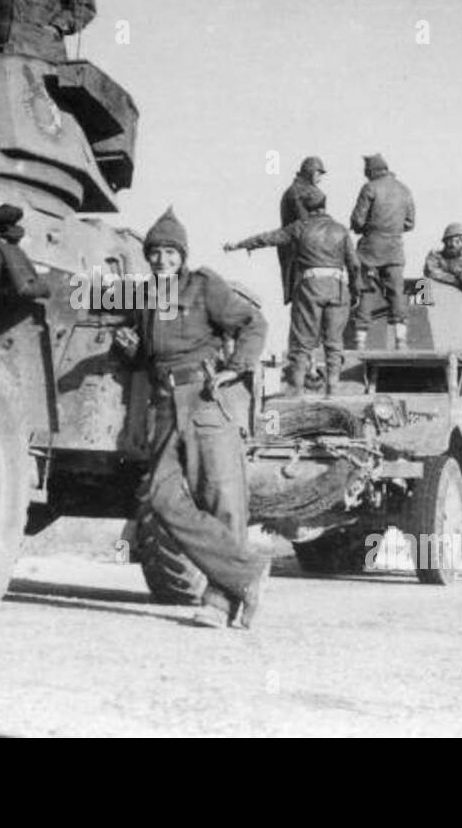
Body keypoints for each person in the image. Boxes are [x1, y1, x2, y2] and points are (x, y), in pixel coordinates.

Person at [115, 207, 271, 628]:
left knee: (220, 496)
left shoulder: (204, 286)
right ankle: (246, 571)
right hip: (165, 404)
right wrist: (130, 347)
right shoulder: (146, 297)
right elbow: (147, 355)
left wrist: (236, 366)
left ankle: (220, 601)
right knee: (160, 497)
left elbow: (253, 323)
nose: (162, 260)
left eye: (170, 252)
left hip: (203, 399)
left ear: (182, 256)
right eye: (155, 253)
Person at [224, 184, 359, 396]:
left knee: (302, 342)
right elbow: (354, 265)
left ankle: (295, 389)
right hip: (338, 289)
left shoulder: (299, 227)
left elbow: (267, 238)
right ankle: (333, 388)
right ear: (324, 206)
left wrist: (239, 245)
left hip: (310, 288)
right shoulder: (340, 230)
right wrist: (355, 291)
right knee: (334, 342)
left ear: (306, 207)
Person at [350, 153, 415, 349]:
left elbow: (358, 221)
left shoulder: (369, 188)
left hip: (370, 250)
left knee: (366, 291)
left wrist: (367, 228)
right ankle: (401, 340)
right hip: (394, 250)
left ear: (371, 171)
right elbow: (410, 223)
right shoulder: (404, 190)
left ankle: (360, 341)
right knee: (397, 292)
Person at [276, 156, 326, 304]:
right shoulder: (298, 192)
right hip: (298, 250)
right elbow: (307, 224)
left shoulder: (298, 190)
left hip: (298, 248)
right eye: (318, 174)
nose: (320, 178)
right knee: (304, 295)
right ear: (310, 172)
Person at [423, 222, 462, 293]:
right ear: (445, 242)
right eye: (450, 241)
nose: (453, 244)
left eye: (458, 241)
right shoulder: (436, 257)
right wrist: (455, 281)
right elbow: (431, 272)